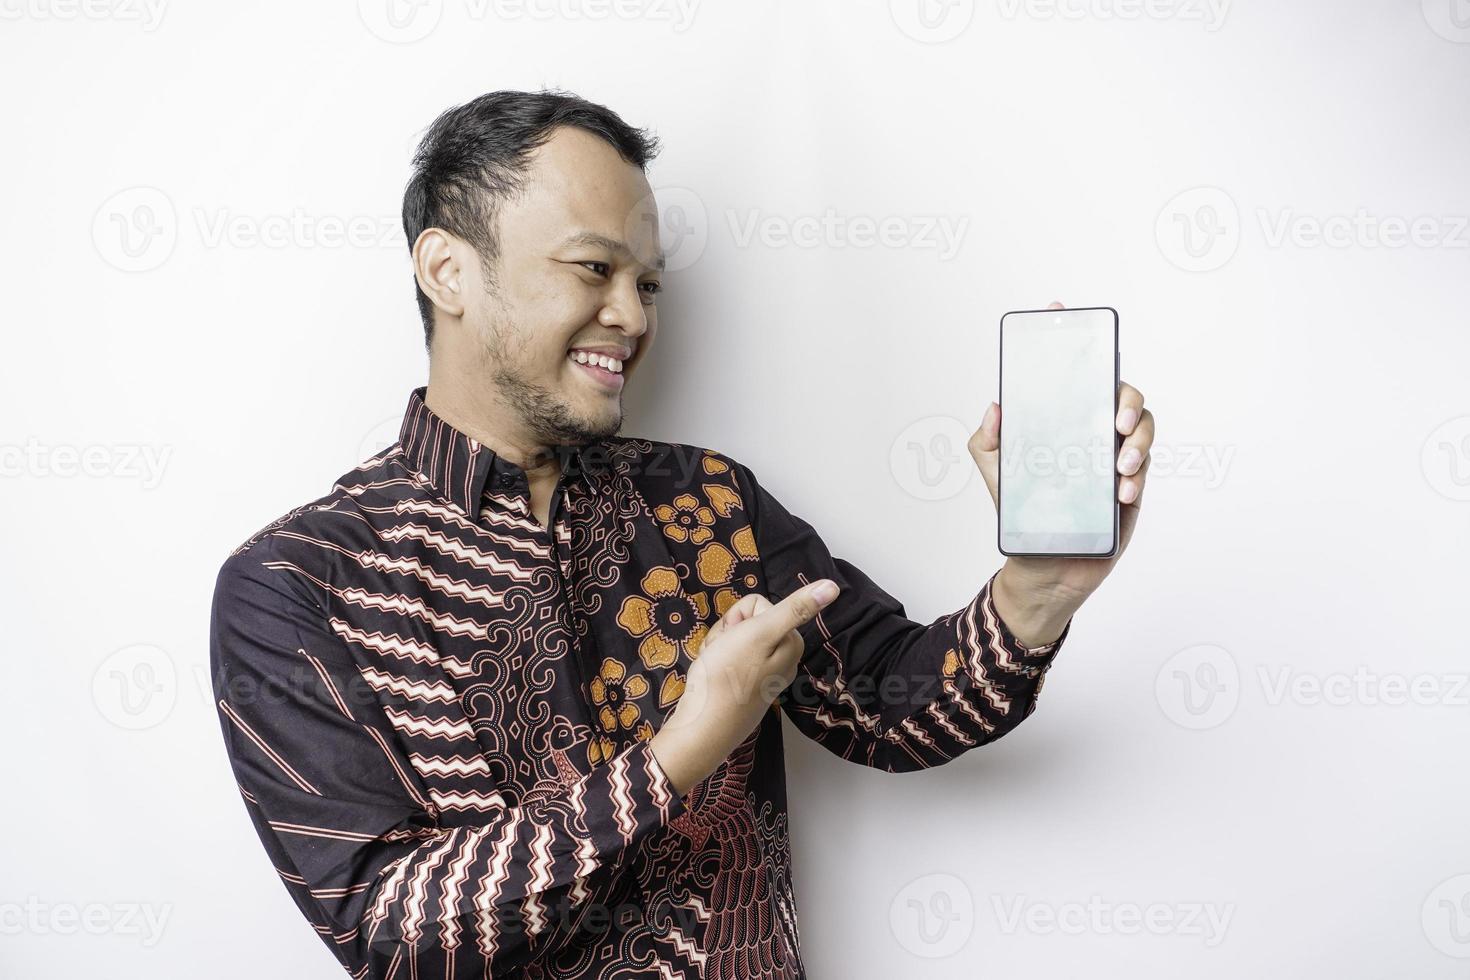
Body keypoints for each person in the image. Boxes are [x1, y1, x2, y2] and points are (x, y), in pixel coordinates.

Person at [209, 89, 1154, 979]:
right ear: (447, 270)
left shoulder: (706, 501)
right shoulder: (296, 585)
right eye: (594, 269)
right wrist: (684, 751)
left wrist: (1041, 590)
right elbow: (388, 931)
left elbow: (897, 713)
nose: (632, 316)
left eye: (647, 282)